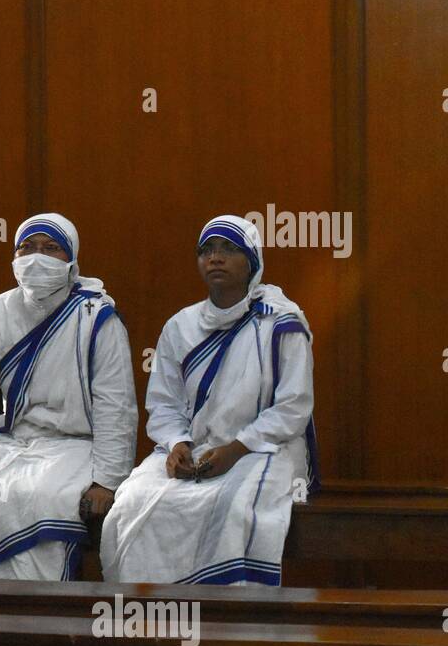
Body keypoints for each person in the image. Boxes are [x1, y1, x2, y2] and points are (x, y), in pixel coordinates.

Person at [100, 214, 320, 586]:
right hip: (196, 448)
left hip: (265, 450)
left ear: (253, 261)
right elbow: (164, 403)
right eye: (207, 250)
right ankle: (150, 617)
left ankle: (232, 624)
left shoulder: (281, 322)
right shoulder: (180, 326)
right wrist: (177, 444)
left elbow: (293, 407)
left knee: (235, 509)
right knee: (132, 503)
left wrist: (235, 449)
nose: (215, 258)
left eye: (229, 249)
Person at [0, 212, 137, 582]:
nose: (37, 257)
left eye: (51, 249)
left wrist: (108, 480)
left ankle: (39, 612)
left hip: (76, 446)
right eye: (26, 248)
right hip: (12, 442)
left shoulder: (97, 317)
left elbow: (117, 406)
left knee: (43, 496)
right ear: (13, 259)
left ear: (72, 260)